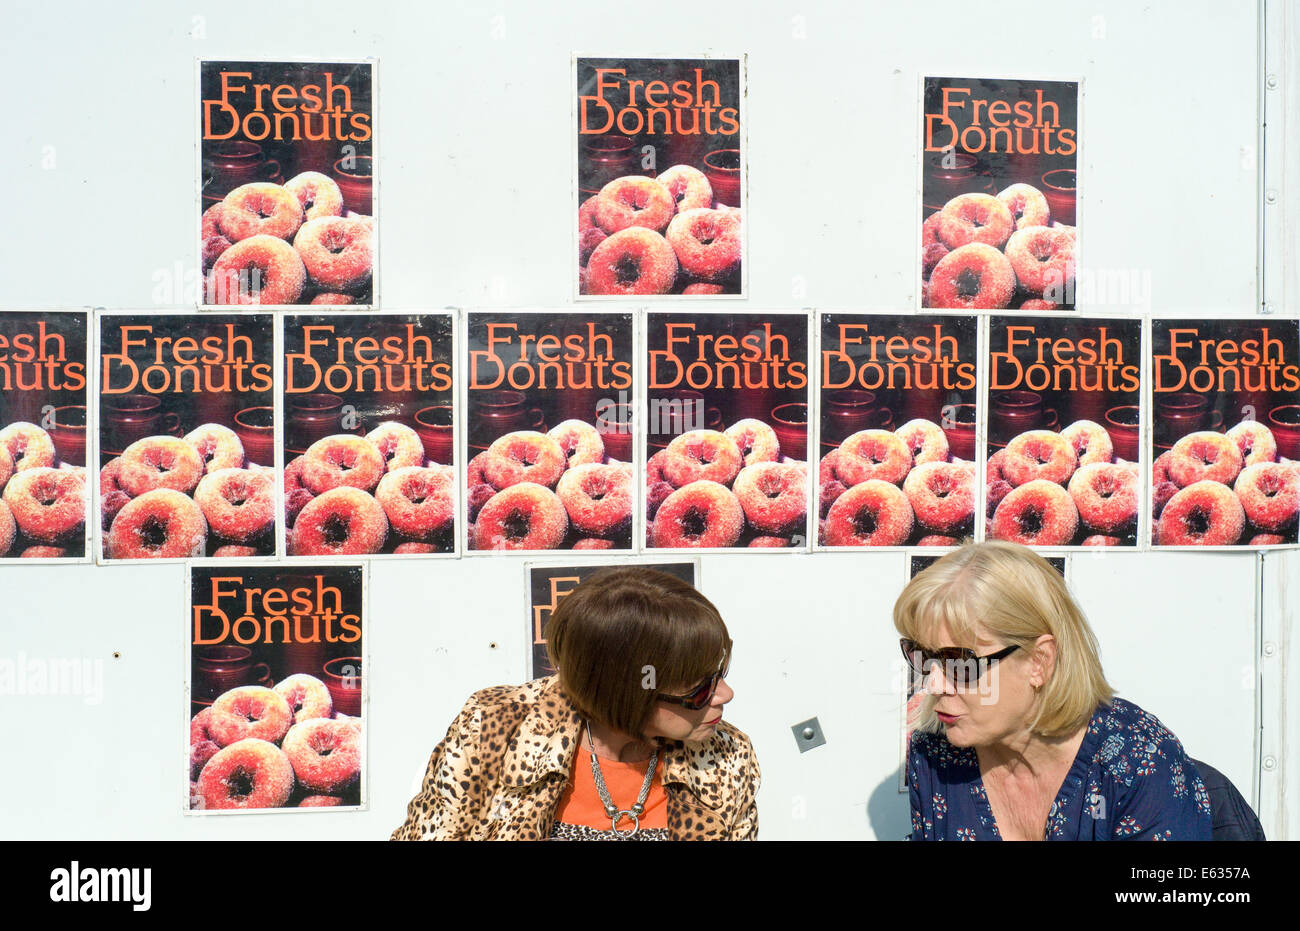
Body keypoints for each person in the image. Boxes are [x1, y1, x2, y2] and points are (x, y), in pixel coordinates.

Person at [391, 566, 759, 840]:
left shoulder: (726, 757)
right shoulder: (495, 728)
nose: (725, 694)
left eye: (719, 672)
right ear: (626, 689)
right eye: (698, 687)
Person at [897, 540, 1212, 841]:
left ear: (1039, 661)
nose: (933, 684)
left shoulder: (1137, 764)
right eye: (923, 657)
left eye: (960, 662)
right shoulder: (936, 756)